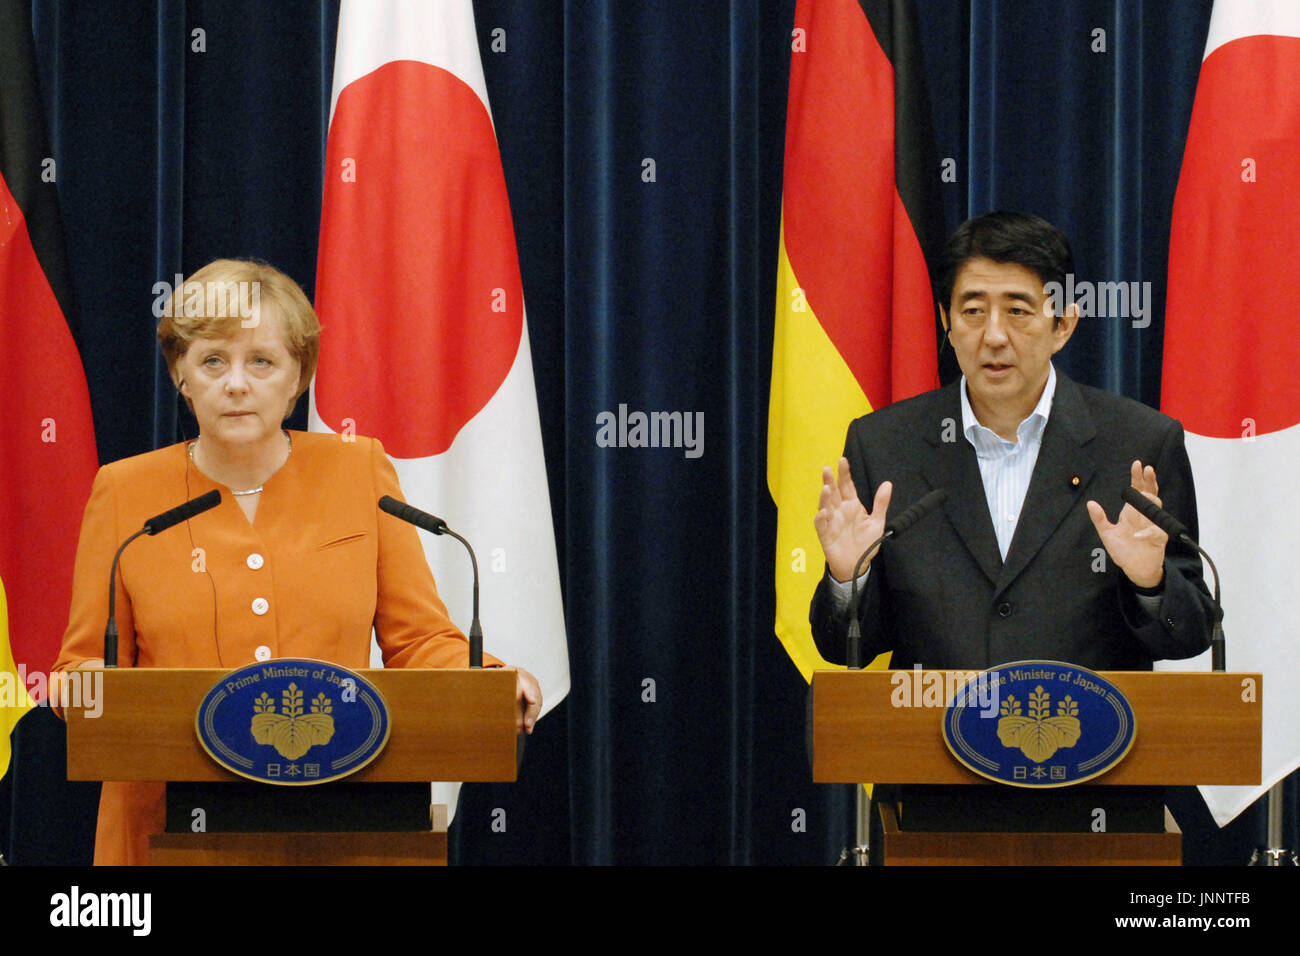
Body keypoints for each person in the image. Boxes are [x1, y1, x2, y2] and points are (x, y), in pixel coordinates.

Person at [53, 259, 542, 865]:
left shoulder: (358, 470)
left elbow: (419, 641)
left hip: (336, 827)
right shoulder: (125, 493)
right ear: (181, 375)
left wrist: (486, 680)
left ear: (297, 378)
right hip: (166, 835)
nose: (236, 383)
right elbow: (87, 664)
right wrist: (77, 687)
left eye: (262, 361)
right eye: (212, 361)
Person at [810, 212, 1214, 671]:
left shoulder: (1140, 444)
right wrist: (849, 578)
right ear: (946, 320)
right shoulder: (883, 445)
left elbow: (1192, 634)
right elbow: (846, 649)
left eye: (1018, 311)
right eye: (973, 311)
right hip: (933, 734)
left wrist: (1150, 581)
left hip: (1091, 735)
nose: (994, 336)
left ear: (1062, 324)